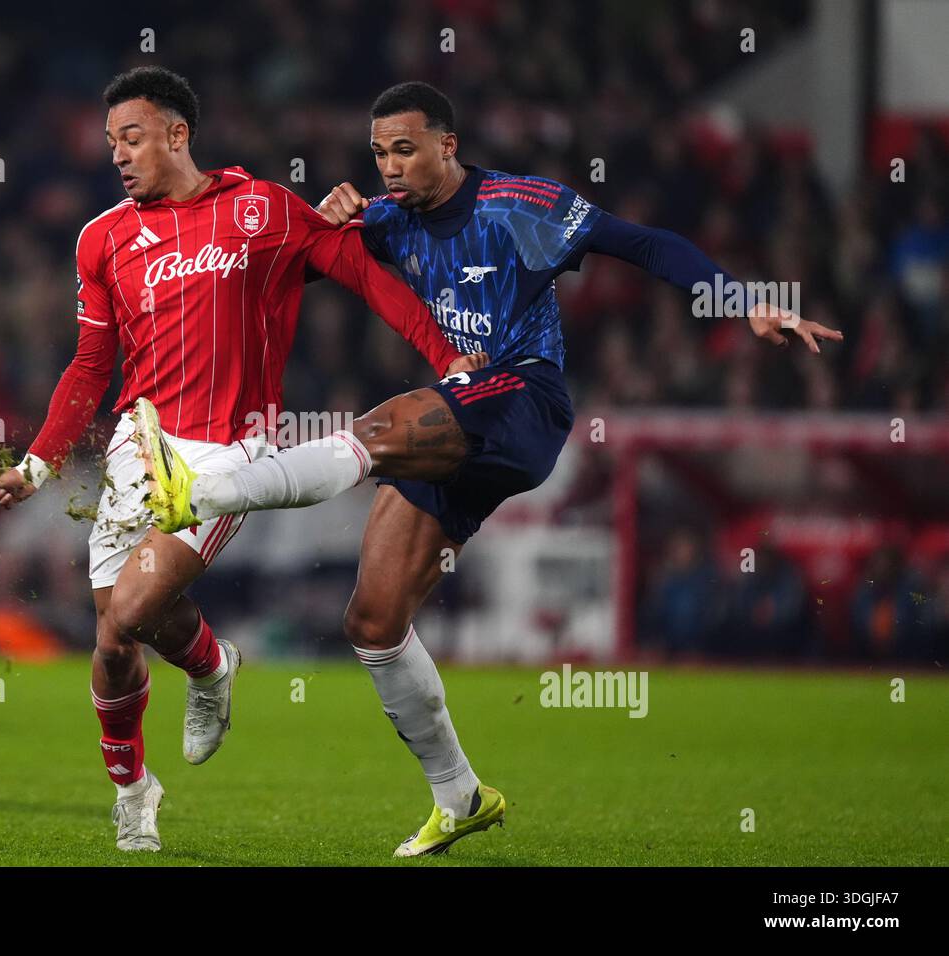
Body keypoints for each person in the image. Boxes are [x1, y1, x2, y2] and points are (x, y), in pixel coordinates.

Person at [138, 81, 843, 856]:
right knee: (373, 623)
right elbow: (295, 266)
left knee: (379, 428)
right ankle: (461, 796)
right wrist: (322, 224)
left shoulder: (524, 208)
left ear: (449, 144)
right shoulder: (385, 219)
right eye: (378, 153)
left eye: (405, 149)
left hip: (523, 401)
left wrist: (743, 301)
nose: (390, 167)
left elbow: (642, 244)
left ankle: (201, 491)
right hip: (459, 414)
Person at [0, 67, 477, 852]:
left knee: (136, 612)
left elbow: (365, 277)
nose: (118, 154)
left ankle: (206, 671)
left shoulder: (263, 211)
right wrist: (34, 468)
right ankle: (140, 785)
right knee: (110, 643)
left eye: (131, 136)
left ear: (178, 134)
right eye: (111, 142)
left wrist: (448, 358)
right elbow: (87, 367)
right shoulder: (102, 238)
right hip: (139, 452)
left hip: (228, 453)